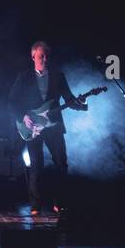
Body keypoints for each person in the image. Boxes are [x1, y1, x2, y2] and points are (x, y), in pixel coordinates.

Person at [6, 41, 88, 215]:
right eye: (41, 55)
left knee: (61, 164)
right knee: (36, 165)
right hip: (33, 126)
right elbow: (12, 101)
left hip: (54, 126)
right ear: (33, 56)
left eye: (46, 56)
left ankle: (60, 202)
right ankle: (35, 205)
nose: (44, 59)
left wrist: (83, 102)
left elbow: (69, 99)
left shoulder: (58, 76)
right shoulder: (24, 76)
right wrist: (23, 116)